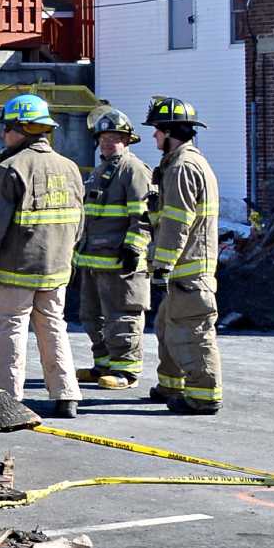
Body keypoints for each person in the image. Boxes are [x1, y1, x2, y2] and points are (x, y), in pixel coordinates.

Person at [0, 91, 85, 416]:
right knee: (53, 327)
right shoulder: (70, 168)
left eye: (6, 127)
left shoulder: (11, 168)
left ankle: (6, 401)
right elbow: (79, 223)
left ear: (21, 128)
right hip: (56, 271)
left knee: (11, 329)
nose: (3, 134)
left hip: (13, 271)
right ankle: (66, 396)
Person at [144, 95, 222, 413]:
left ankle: (204, 396)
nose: (153, 137)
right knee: (167, 328)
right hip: (185, 269)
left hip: (189, 271)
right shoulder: (181, 164)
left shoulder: (182, 167)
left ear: (169, 132)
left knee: (194, 332)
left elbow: (178, 221)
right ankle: (171, 386)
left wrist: (162, 264)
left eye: (157, 131)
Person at [74, 105, 153, 390]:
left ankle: (127, 371)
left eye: (116, 137)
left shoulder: (133, 170)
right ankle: (104, 363)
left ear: (128, 139)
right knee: (91, 316)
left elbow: (143, 217)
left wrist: (134, 248)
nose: (109, 141)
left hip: (121, 263)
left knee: (122, 316)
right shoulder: (100, 171)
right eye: (104, 136)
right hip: (94, 262)